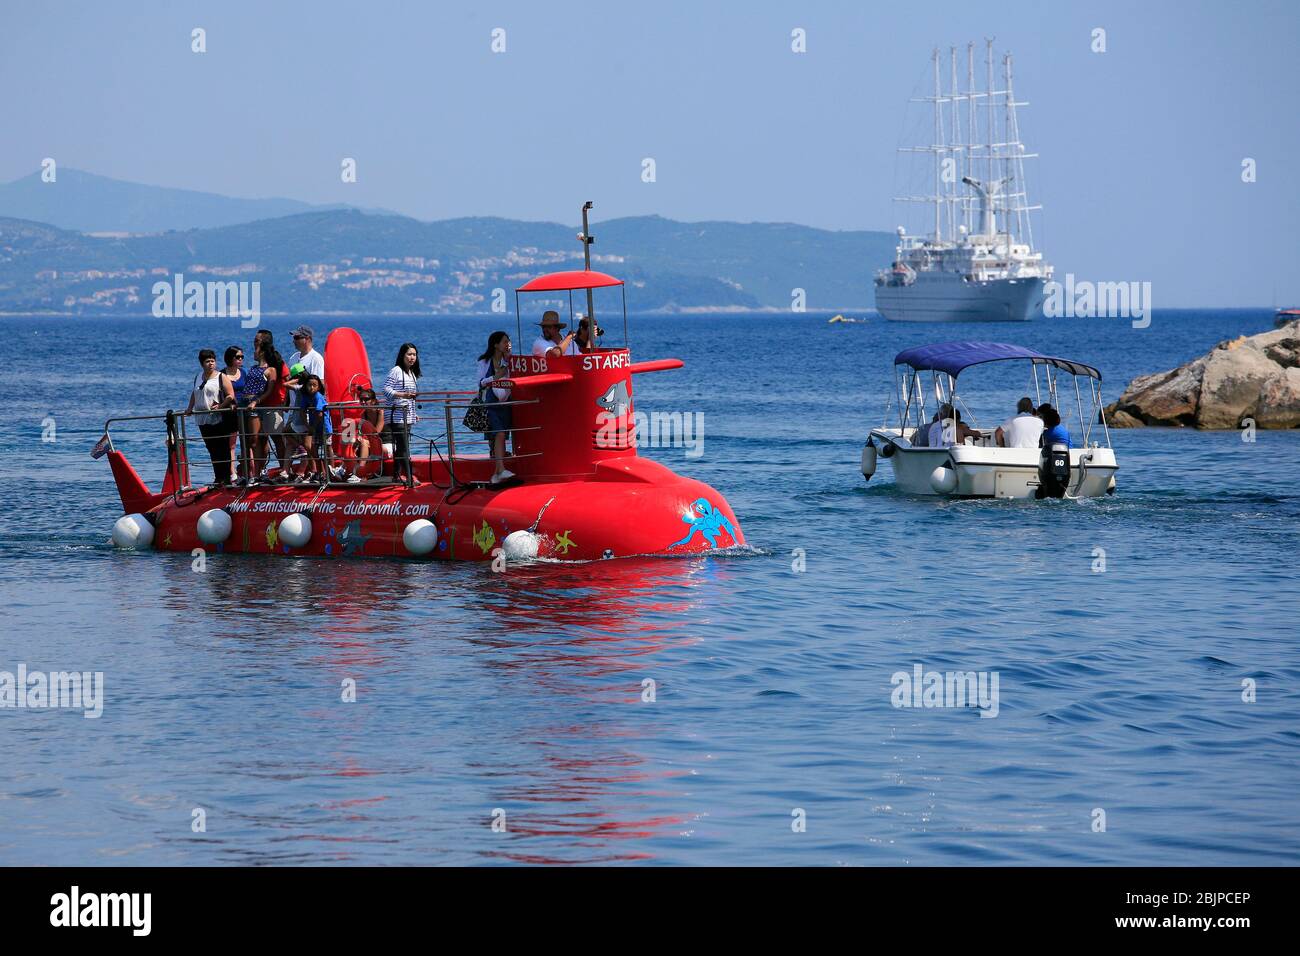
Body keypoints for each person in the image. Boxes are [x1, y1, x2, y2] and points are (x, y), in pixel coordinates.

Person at [186, 349, 237, 485]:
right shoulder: (198, 377)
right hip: (203, 419)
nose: (210, 364)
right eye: (207, 361)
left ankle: (226, 477)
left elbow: (230, 395)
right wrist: (190, 408)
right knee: (211, 448)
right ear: (202, 363)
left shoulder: (221, 377)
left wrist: (221, 405)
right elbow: (195, 393)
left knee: (222, 448)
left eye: (212, 361)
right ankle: (218, 477)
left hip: (218, 417)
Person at [477, 331, 515, 485]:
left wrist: (509, 359)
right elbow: (480, 382)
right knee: (499, 433)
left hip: (506, 402)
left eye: (509, 341)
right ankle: (500, 469)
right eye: (505, 341)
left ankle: (496, 474)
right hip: (491, 403)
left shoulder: (510, 362)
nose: (508, 344)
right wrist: (496, 377)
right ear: (496, 344)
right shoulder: (484, 362)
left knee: (503, 435)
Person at [383, 342, 421, 483]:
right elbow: (386, 390)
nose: (412, 357)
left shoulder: (411, 373)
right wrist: (403, 395)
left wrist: (413, 412)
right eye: (409, 354)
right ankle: (409, 477)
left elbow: (411, 396)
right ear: (402, 355)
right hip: (397, 416)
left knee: (401, 446)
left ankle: (396, 475)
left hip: (407, 416)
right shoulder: (396, 371)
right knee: (404, 446)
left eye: (414, 355)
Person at [254, 337, 290, 479]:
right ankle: (262, 470)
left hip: (274, 405)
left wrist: (286, 402)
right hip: (261, 406)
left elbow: (287, 382)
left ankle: (284, 469)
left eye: (257, 344)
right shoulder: (260, 367)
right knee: (261, 439)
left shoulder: (277, 362)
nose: (255, 347)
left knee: (277, 438)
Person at [233, 345, 267, 485]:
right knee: (246, 440)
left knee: (256, 439)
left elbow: (269, 389)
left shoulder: (269, 368)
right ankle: (248, 473)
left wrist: (257, 400)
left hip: (255, 405)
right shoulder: (252, 369)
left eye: (256, 349)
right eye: (238, 357)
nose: (253, 352)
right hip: (243, 404)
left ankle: (260, 471)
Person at [297, 373, 333, 483]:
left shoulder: (318, 396)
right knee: (313, 448)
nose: (312, 387)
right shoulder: (305, 397)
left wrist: (311, 427)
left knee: (327, 448)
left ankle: (331, 470)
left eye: (314, 385)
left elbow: (320, 414)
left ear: (318, 387)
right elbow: (302, 411)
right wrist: (308, 426)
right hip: (314, 427)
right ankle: (319, 471)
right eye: (309, 385)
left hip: (324, 427)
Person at [286, 324, 325, 409]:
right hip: (293, 409)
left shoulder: (316, 358)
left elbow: (319, 385)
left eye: (297, 338)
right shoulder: (293, 357)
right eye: (294, 338)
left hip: (307, 409)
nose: (294, 341)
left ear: (307, 338)